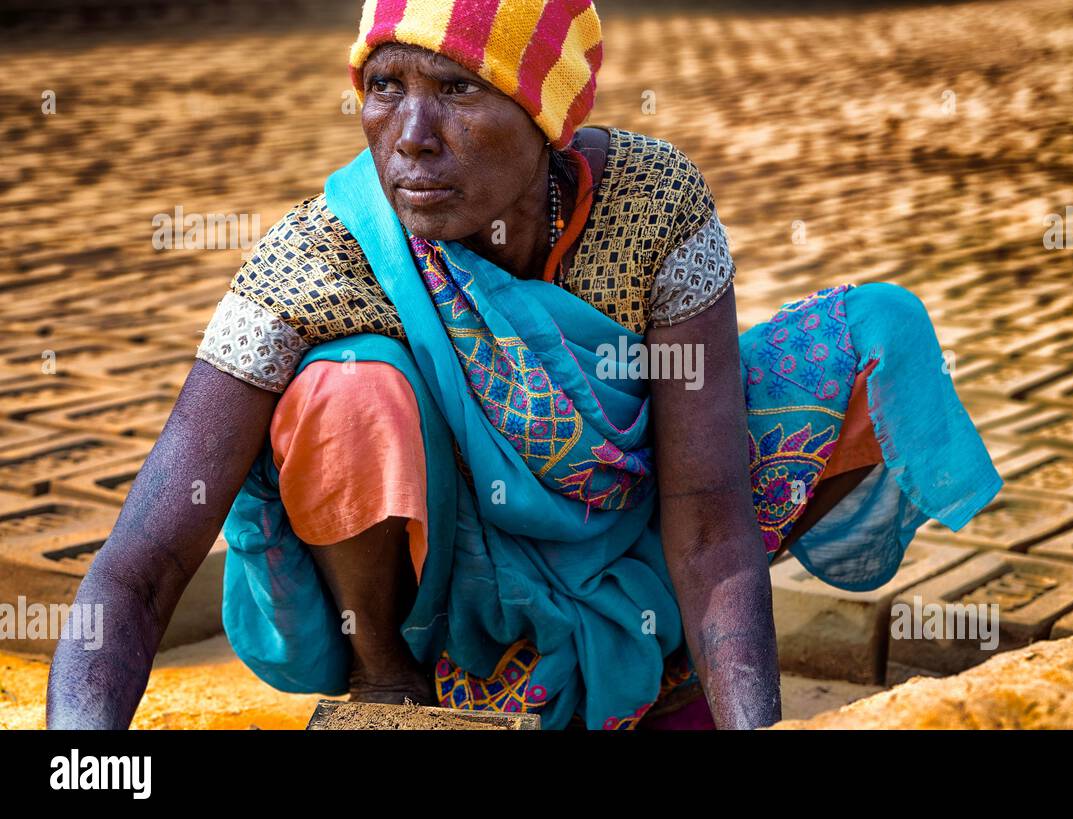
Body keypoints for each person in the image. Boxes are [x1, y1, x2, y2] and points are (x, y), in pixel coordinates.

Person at [46, 0, 1001, 730]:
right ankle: (393, 689)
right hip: (447, 587)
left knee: (877, 336)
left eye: (459, 89)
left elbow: (709, 517)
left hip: (639, 536)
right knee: (349, 389)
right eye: (385, 86)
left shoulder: (648, 204)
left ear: (546, 117)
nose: (410, 136)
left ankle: (659, 660)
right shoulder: (319, 258)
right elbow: (141, 565)